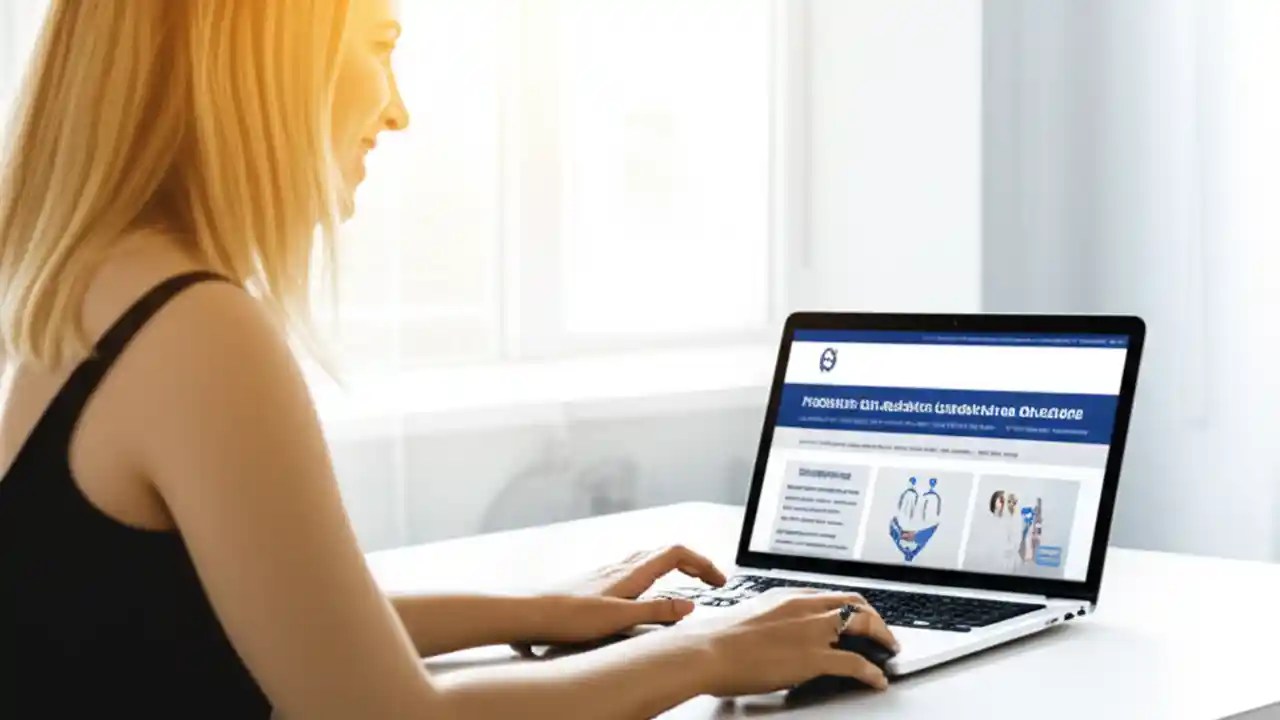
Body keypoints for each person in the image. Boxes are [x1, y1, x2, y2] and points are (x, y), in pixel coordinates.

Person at [0, 2, 897, 717]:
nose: (396, 108)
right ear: (267, 59)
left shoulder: (90, 287)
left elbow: (239, 628)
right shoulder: (195, 331)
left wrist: (538, 611)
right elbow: (385, 716)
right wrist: (707, 653)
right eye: (379, 46)